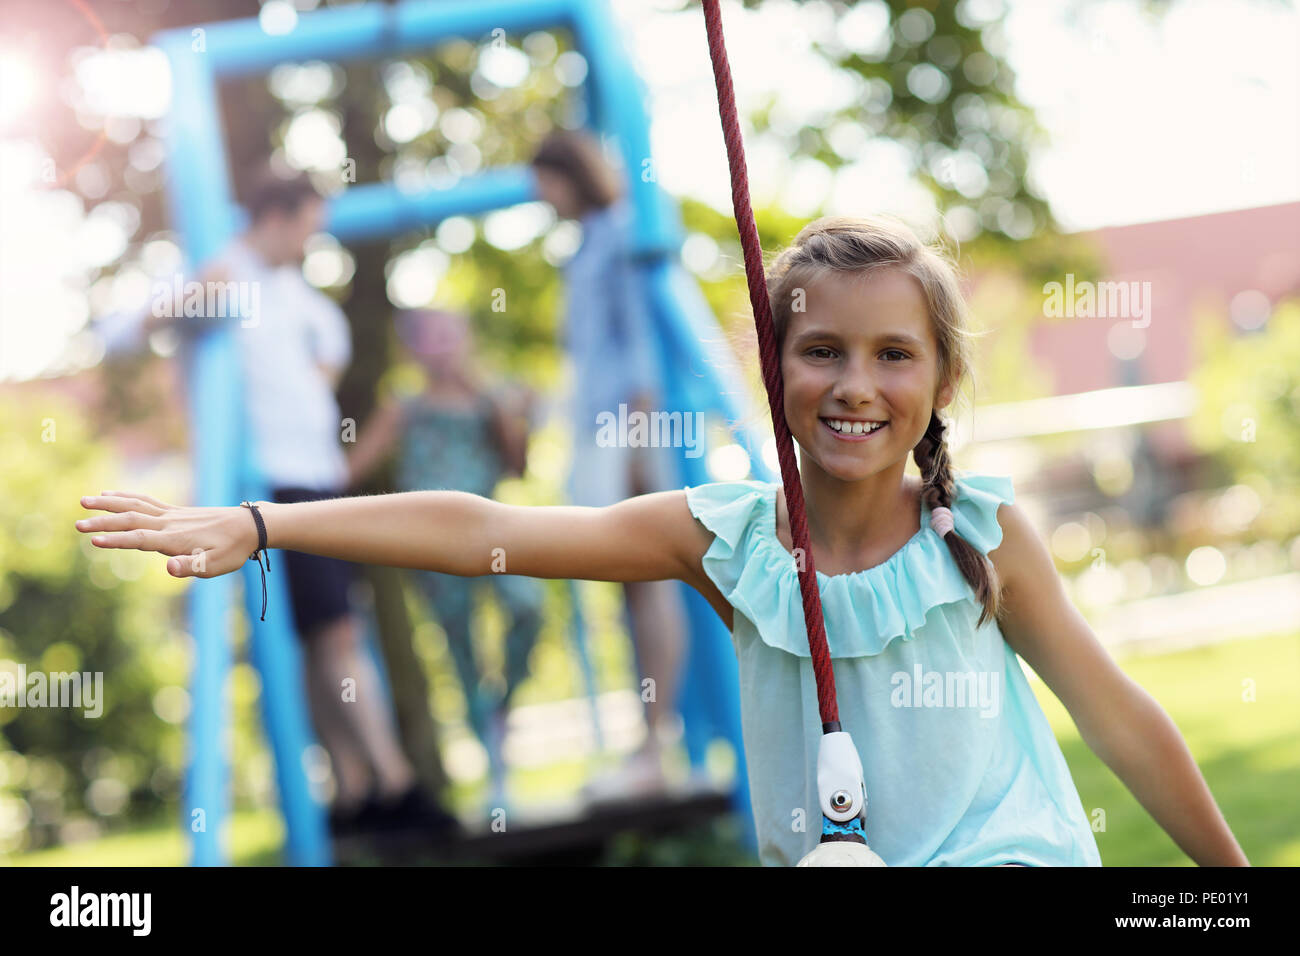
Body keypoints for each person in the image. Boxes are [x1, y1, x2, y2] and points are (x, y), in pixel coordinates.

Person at [76, 215, 1251, 868]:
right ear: (775, 370)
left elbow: (1117, 717)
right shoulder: (728, 542)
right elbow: (485, 528)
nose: (855, 382)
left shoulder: (981, 536)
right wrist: (266, 519)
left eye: (893, 353)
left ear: (940, 377)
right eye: (820, 349)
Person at [93, 168, 458, 839]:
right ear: (277, 217)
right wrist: (186, 304)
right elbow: (118, 334)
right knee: (330, 637)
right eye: (309, 223)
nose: (316, 237)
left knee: (329, 637)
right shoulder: (221, 275)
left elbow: (329, 359)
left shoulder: (301, 298)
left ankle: (358, 792)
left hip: (312, 479)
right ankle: (390, 783)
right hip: (268, 485)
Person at [529, 129, 688, 799]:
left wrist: (638, 444)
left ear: (570, 176)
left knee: (651, 579)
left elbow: (639, 346)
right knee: (631, 580)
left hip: (629, 428)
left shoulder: (620, 234)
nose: (542, 197)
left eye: (547, 181)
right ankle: (649, 740)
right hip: (603, 427)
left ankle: (658, 741)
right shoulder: (584, 246)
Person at [345, 307, 543, 810]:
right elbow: (350, 470)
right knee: (462, 655)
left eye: (451, 335)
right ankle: (497, 771)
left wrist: (512, 411)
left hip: (495, 533)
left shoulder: (489, 398)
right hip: (433, 548)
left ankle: (503, 709)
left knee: (528, 606)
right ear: (413, 350)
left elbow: (518, 464)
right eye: (430, 338)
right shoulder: (404, 406)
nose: (443, 347)